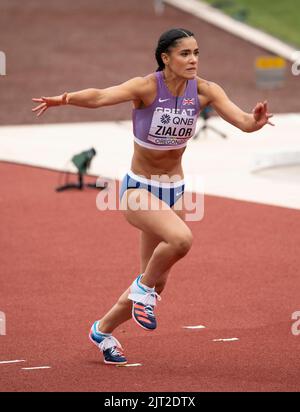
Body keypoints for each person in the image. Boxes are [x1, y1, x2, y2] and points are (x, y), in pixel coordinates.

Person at [32, 28, 274, 365]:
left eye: (196, 53)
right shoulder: (146, 87)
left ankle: (102, 331)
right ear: (165, 58)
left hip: (173, 191)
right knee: (181, 240)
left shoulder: (205, 91)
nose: (193, 60)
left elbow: (243, 121)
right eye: (185, 54)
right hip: (137, 189)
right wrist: (65, 98)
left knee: (157, 283)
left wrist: (255, 122)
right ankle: (141, 291)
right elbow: (101, 96)